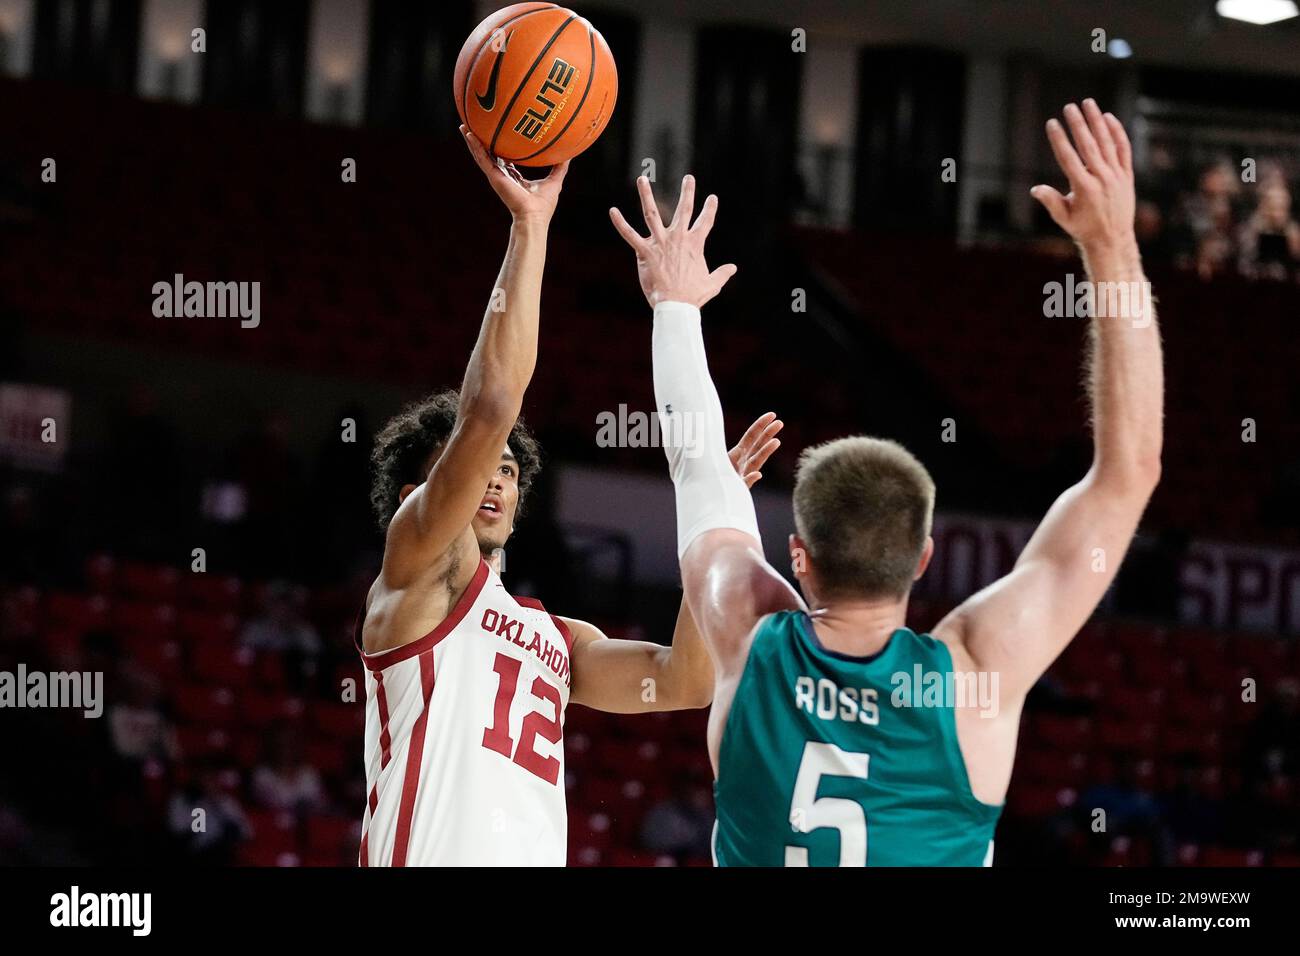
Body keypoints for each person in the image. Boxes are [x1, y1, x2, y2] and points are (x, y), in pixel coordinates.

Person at [609, 99, 1163, 865]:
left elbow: (696, 462)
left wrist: (674, 307)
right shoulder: (975, 673)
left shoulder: (750, 631)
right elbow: (1129, 472)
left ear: (797, 558)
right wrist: (1112, 247)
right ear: (925, 557)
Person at [355, 126, 781, 866]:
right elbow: (489, 410)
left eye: (510, 473)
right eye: (476, 468)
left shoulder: (555, 638)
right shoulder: (414, 573)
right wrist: (531, 225)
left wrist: (718, 505)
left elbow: (684, 680)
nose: (494, 477)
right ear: (416, 494)